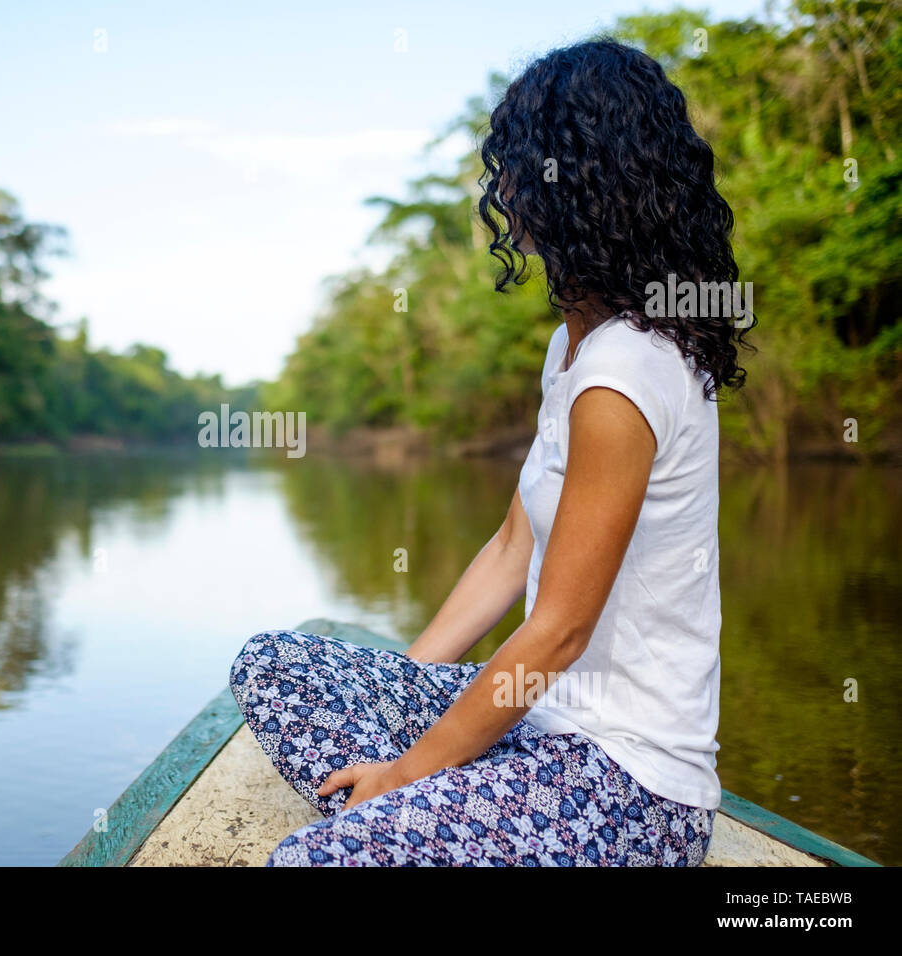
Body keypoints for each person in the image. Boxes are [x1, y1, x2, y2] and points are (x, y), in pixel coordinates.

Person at [229, 37, 754, 866]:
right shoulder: (574, 348)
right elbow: (513, 548)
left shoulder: (627, 372)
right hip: (538, 724)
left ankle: (392, 820)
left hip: (626, 788)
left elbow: (557, 632)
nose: (504, 192)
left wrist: (406, 773)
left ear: (581, 187)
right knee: (274, 664)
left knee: (306, 862)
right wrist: (405, 701)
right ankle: (415, 811)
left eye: (518, 168)